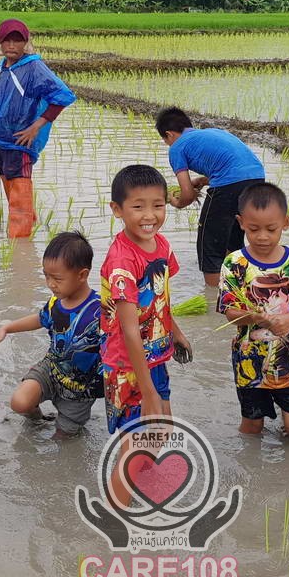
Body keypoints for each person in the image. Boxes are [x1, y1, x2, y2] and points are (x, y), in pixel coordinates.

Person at [100, 164, 193, 507]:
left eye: (157, 205)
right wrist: (148, 391)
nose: (149, 215)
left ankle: (145, 486)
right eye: (138, 207)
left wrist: (176, 333)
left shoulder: (162, 245)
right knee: (135, 446)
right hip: (127, 367)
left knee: (162, 430)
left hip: (156, 355)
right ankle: (115, 517)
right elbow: (127, 329)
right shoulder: (123, 261)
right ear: (117, 210)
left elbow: (161, 297)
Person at [217, 182, 289, 438]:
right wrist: (254, 317)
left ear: (286, 222)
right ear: (241, 223)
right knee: (252, 428)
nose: (262, 236)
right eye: (254, 229)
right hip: (249, 359)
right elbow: (229, 312)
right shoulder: (234, 263)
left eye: (271, 229)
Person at [0, 232, 103, 436]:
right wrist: (6, 328)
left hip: (80, 389)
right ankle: (38, 420)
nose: (50, 284)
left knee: (64, 439)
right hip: (51, 369)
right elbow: (40, 319)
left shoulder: (100, 310)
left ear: (82, 275)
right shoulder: (55, 302)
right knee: (20, 402)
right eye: (46, 276)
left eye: (57, 278)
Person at [0, 19, 76, 238]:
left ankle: (19, 255)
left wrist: (36, 127)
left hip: (20, 143)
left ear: (26, 43)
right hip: (0, 143)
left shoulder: (34, 68)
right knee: (14, 198)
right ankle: (25, 243)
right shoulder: (0, 70)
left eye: (17, 40)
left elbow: (62, 96)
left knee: (19, 201)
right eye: (7, 40)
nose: (12, 45)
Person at [155, 107, 266, 287]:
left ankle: (214, 298)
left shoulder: (176, 147)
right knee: (233, 237)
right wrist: (204, 180)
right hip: (257, 178)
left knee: (209, 244)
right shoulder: (212, 133)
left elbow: (188, 195)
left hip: (229, 183)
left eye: (165, 140)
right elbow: (233, 164)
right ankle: (239, 285)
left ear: (169, 135)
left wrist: (175, 201)